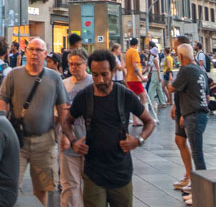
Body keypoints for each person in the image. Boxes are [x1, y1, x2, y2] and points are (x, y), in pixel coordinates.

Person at [63, 48, 155, 207]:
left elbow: (149, 121)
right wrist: (73, 142)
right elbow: (66, 121)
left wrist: (138, 140)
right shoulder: (85, 96)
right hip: (94, 172)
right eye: (96, 75)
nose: (100, 80)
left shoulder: (124, 95)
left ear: (113, 72)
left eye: (104, 74)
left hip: (121, 171)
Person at [0, 37, 69, 206]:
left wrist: (66, 135)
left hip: (45, 140)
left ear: (45, 54)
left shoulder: (54, 77)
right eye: (31, 49)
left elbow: (62, 107)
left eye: (38, 50)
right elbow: (2, 100)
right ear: (26, 52)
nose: (34, 54)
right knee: (10, 185)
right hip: (17, 141)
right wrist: (0, 125)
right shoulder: (14, 74)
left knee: (43, 188)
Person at [170, 42, 210, 201]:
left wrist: (172, 84)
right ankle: (199, 189)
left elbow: (173, 87)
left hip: (193, 115)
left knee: (197, 155)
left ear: (180, 56)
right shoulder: (200, 70)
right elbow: (206, 95)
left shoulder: (186, 70)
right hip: (199, 114)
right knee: (197, 153)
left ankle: (201, 193)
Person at [59, 48, 92, 207]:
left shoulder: (93, 83)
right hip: (70, 140)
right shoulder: (63, 84)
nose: (73, 68)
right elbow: (59, 112)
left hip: (91, 141)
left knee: (92, 183)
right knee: (70, 185)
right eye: (71, 64)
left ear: (86, 64)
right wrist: (64, 136)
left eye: (77, 64)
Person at [144, 42, 167, 111]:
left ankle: (150, 103)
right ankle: (163, 102)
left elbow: (157, 69)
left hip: (155, 73)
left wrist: (159, 76)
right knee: (158, 88)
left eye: (151, 52)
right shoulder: (155, 57)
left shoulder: (155, 59)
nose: (150, 53)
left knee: (151, 88)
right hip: (155, 73)